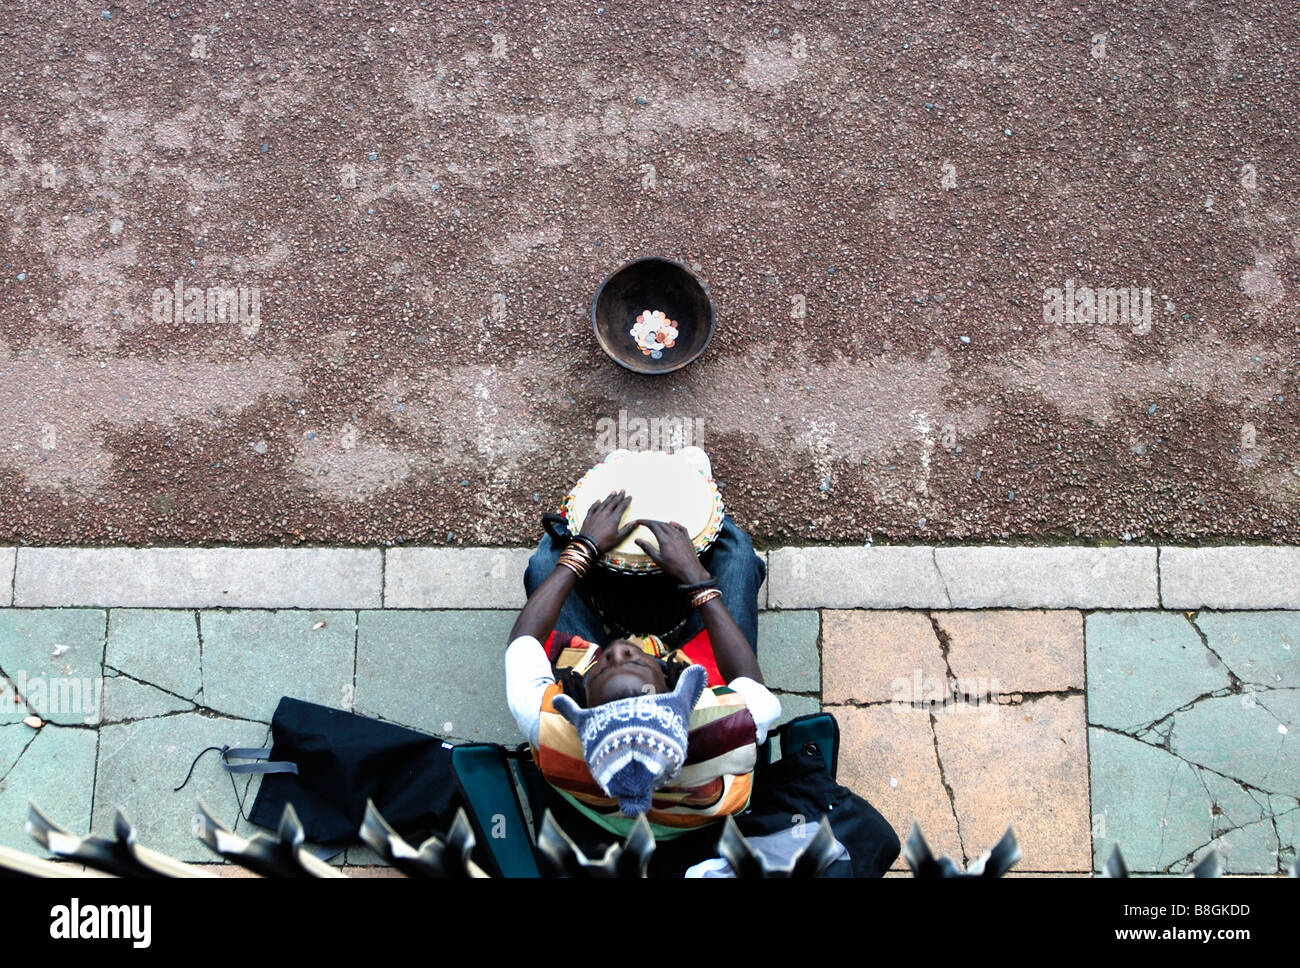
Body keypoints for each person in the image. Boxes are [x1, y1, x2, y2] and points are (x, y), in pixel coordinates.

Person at [505, 483, 780, 872]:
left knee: (547, 562)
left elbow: (523, 643)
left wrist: (583, 549)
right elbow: (749, 680)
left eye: (603, 666)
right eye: (632, 663)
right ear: (679, 689)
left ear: (578, 702)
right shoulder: (730, 722)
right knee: (735, 551)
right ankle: (695, 500)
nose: (617, 650)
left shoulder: (547, 723)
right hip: (693, 806)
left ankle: (611, 575)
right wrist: (696, 579)